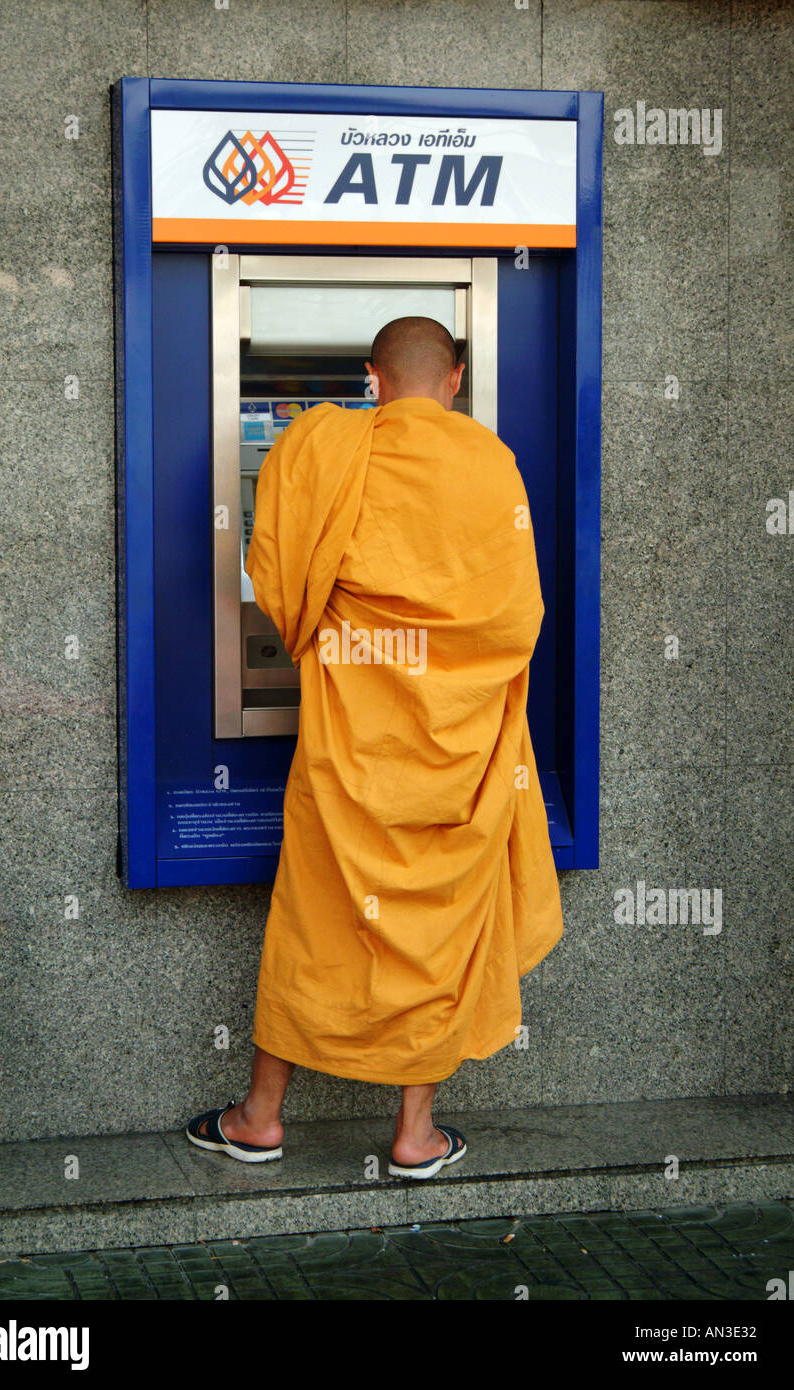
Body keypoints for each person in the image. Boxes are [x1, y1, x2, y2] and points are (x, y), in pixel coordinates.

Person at [187, 315, 563, 1179]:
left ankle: (259, 1118)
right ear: (455, 380)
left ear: (372, 376)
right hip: (459, 749)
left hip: (347, 745)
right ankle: (414, 1136)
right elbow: (518, 619)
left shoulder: (323, 441)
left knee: (315, 918)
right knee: (439, 924)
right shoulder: (489, 463)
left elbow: (277, 578)